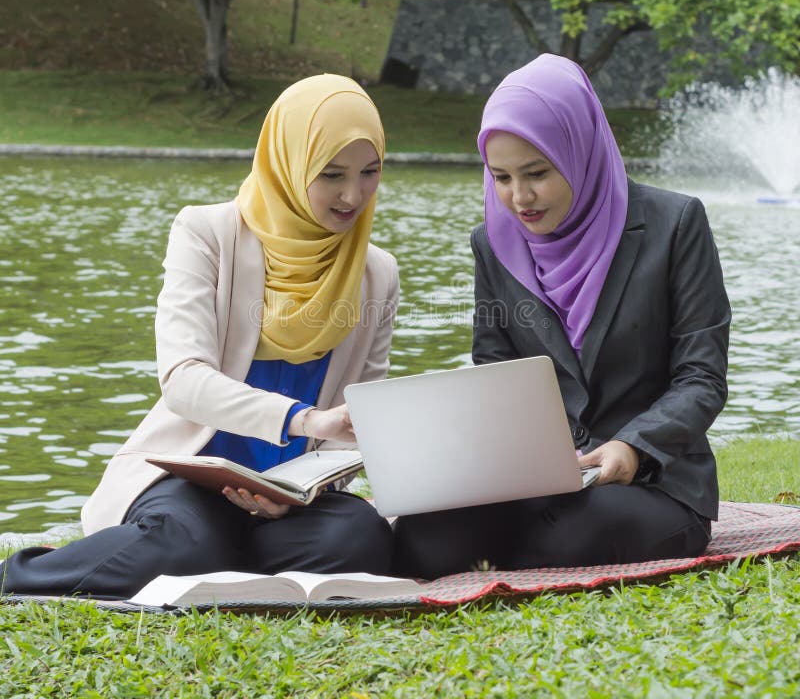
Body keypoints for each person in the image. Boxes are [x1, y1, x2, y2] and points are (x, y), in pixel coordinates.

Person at [2, 74, 399, 599]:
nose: (353, 195)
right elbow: (184, 382)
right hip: (190, 478)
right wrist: (301, 419)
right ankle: (23, 572)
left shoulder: (376, 272)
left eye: (369, 172)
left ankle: (225, 560)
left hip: (290, 496)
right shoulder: (207, 234)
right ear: (288, 163)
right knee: (185, 544)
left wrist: (309, 489)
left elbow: (354, 421)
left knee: (363, 538)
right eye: (331, 174)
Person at [392, 54, 730, 580]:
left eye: (537, 173)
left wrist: (633, 447)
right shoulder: (493, 244)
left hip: (652, 480)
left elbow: (701, 378)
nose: (518, 198)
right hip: (537, 482)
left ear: (579, 152)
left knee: (569, 533)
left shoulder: (675, 224)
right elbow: (495, 370)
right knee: (423, 540)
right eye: (500, 177)